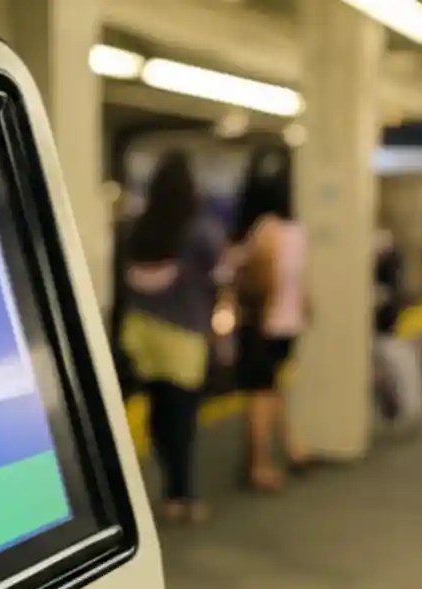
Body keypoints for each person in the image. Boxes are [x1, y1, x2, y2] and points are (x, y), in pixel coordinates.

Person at [119, 151, 222, 523]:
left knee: (157, 413)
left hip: (142, 332)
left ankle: (161, 489)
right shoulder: (199, 230)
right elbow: (216, 277)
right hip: (183, 337)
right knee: (183, 419)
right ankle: (181, 496)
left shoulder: (139, 226)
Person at [230, 145, 309, 491]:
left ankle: (258, 463)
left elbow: (265, 276)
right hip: (289, 322)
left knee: (260, 393)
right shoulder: (295, 231)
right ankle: (291, 447)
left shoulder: (264, 230)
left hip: (264, 322)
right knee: (275, 388)